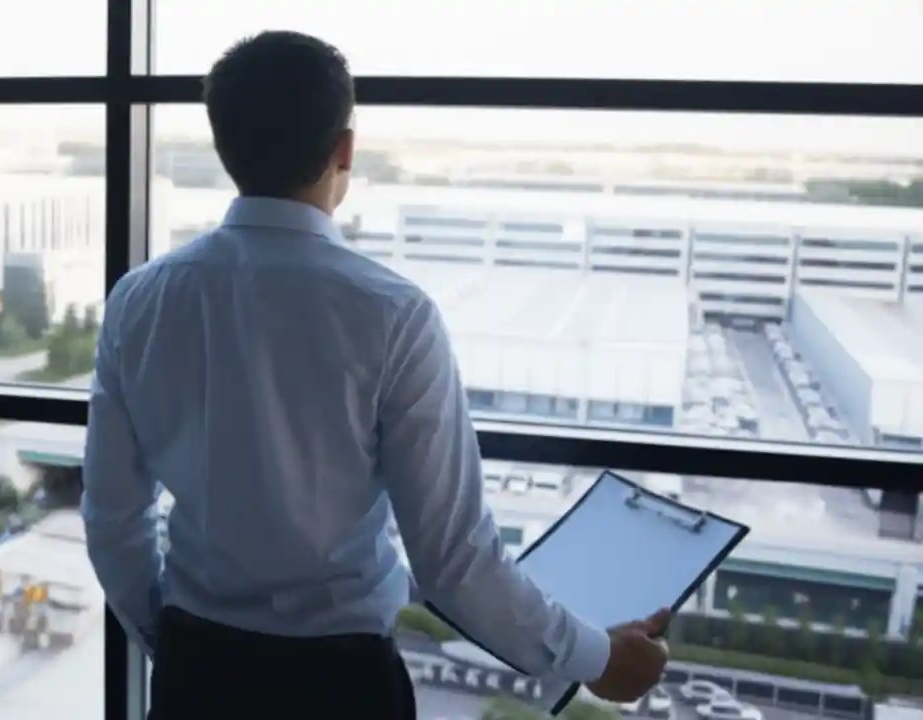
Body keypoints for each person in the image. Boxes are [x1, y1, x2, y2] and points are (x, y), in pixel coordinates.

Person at [83, 31, 669, 719]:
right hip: (342, 687)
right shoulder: (394, 314)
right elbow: (451, 561)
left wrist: (174, 646)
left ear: (222, 145)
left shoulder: (140, 300)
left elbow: (114, 522)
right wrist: (597, 657)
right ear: (345, 149)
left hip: (196, 675)